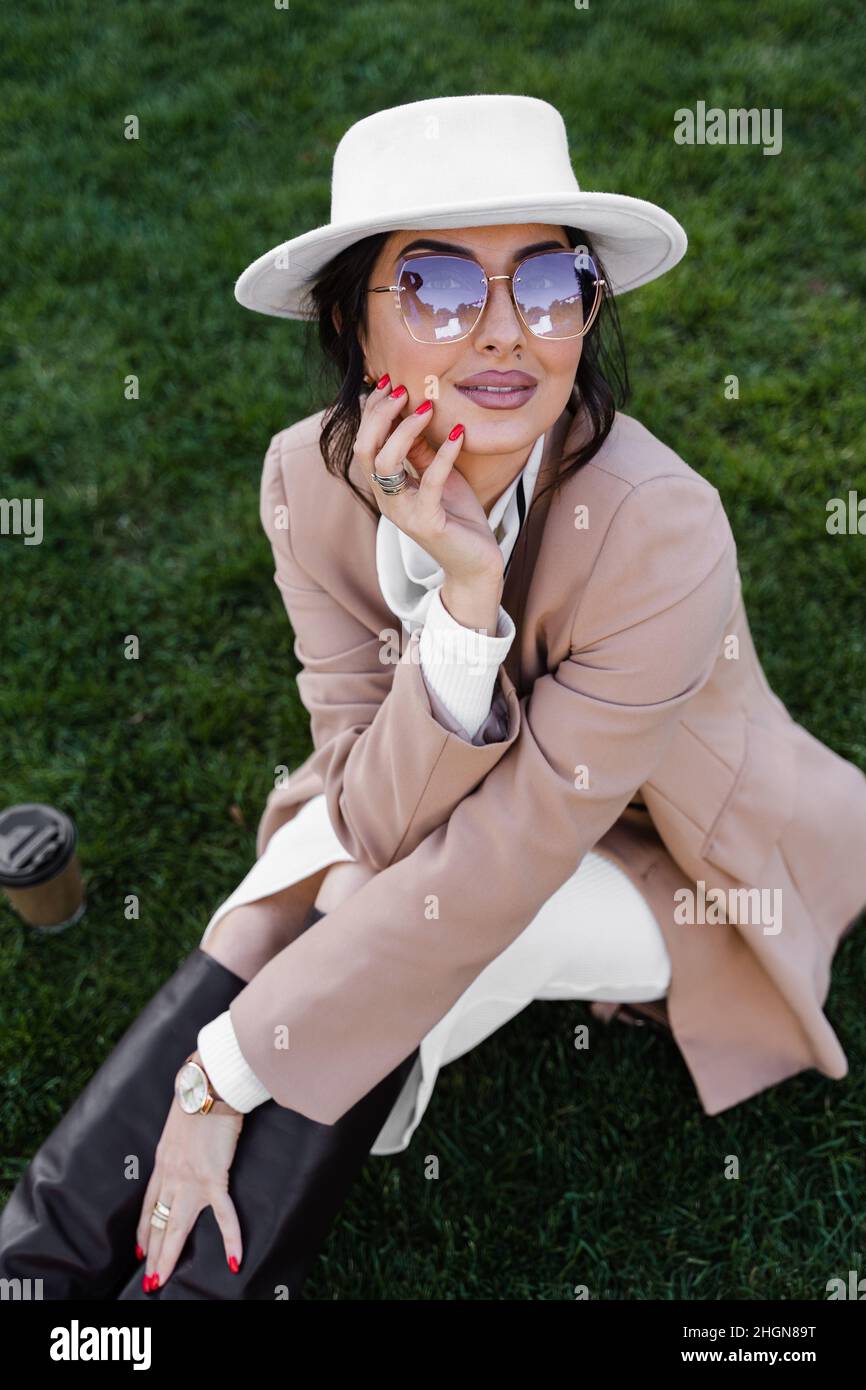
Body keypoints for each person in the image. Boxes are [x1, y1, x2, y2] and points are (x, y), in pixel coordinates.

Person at [2, 94, 865, 1302]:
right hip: (436, 839)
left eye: (549, 284)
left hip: (667, 861)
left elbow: (498, 859)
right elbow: (371, 802)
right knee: (348, 884)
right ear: (357, 331)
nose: (507, 334)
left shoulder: (660, 526)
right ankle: (43, 1274)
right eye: (442, 289)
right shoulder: (307, 475)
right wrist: (462, 610)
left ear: (585, 307)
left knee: (360, 919)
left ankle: (162, 1276)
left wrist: (223, 1071)